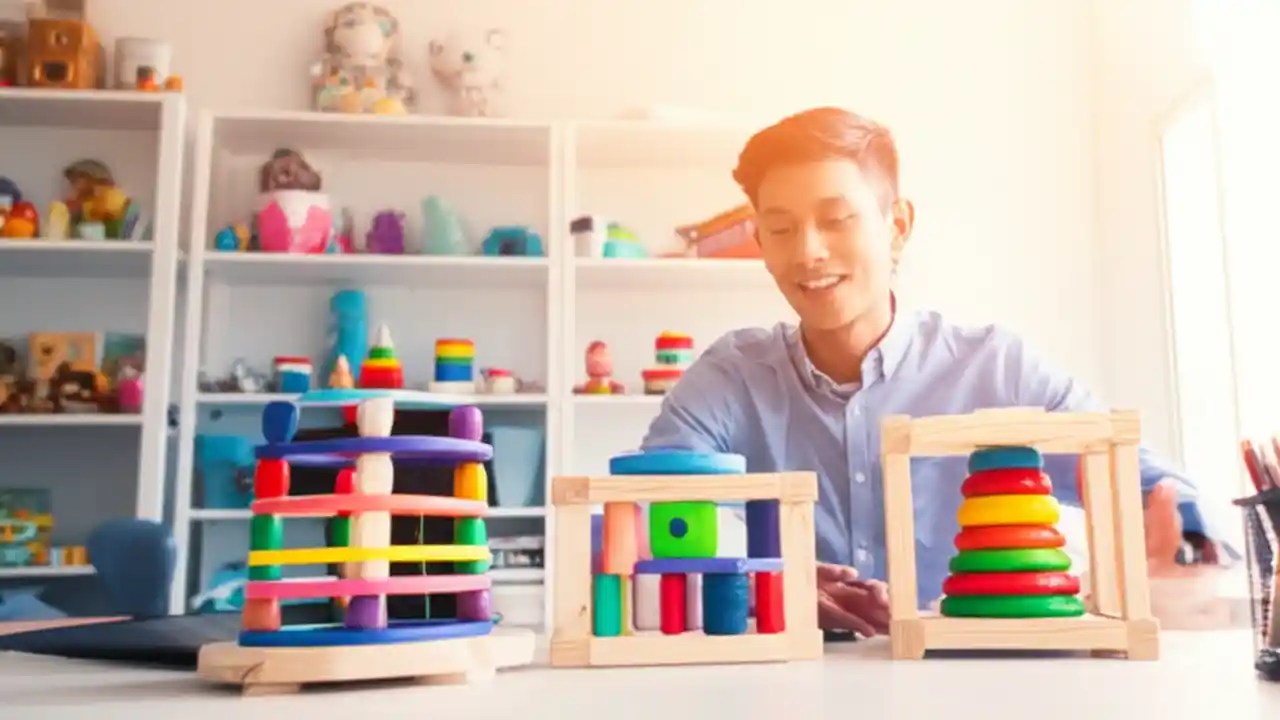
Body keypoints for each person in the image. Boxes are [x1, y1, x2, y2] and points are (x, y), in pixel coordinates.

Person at [640, 106, 1226, 637]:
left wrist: (1183, 556)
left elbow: (1165, 501)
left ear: (897, 227)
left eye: (836, 219)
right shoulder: (731, 377)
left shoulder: (997, 367)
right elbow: (644, 514)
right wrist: (766, 578)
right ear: (762, 244)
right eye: (782, 228)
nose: (808, 252)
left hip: (972, 687)